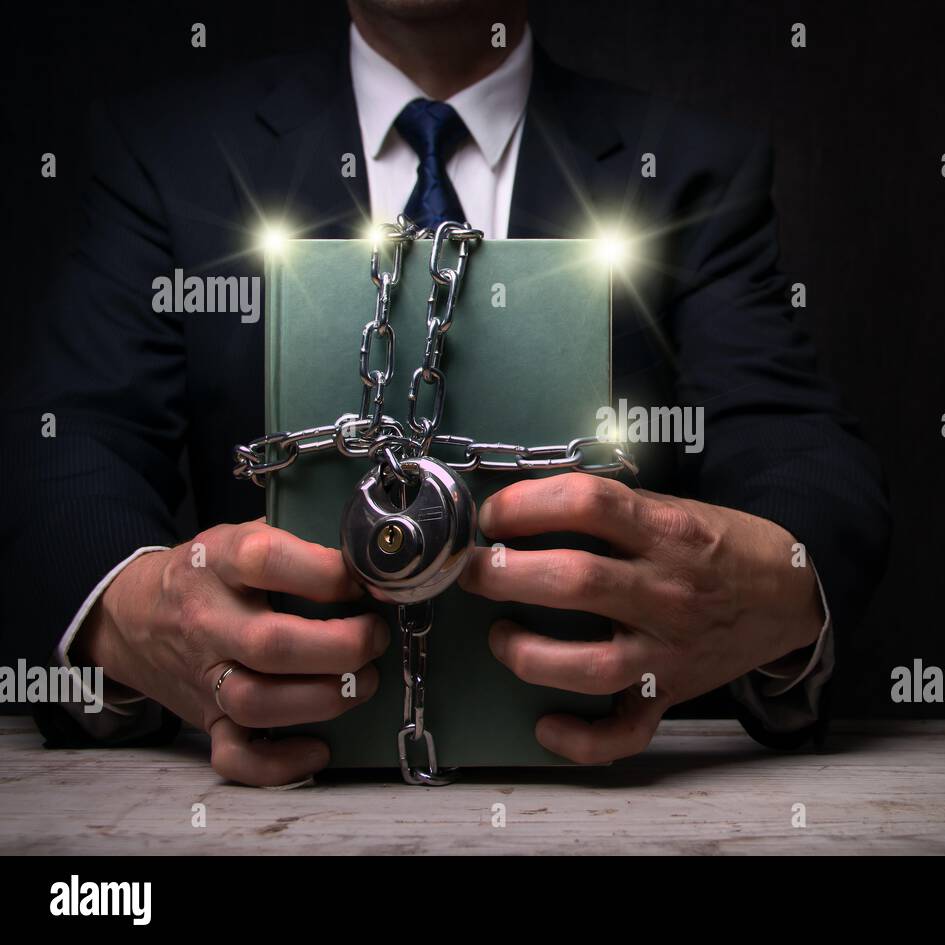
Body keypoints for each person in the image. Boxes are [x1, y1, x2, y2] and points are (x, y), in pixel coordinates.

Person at [2, 0, 890, 785]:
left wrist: (775, 587)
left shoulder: (689, 170)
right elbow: (67, 441)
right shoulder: (176, 156)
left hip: (590, 783)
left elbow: (799, 448)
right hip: (281, 775)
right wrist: (132, 615)